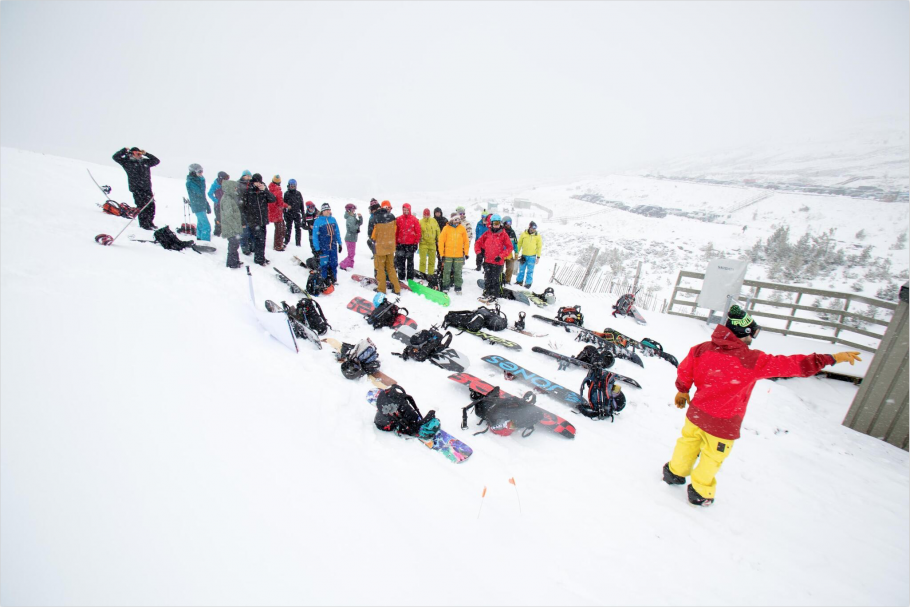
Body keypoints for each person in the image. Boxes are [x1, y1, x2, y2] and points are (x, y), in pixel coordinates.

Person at [664, 305, 862, 507]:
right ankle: (699, 492)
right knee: (712, 457)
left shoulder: (702, 349)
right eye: (753, 334)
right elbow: (791, 365)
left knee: (687, 443)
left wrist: (683, 389)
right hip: (722, 424)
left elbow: (685, 370)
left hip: (696, 414)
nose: (753, 339)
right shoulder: (751, 360)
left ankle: (674, 472)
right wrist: (830, 359)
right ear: (744, 332)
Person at [111, 146, 160, 230]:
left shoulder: (145, 162)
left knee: (151, 206)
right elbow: (115, 157)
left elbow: (156, 161)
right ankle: (144, 224)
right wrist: (124, 150)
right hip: (137, 189)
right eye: (136, 153)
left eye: (140, 153)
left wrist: (146, 154)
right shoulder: (127, 162)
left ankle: (150, 222)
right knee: (142, 206)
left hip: (147, 188)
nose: (139, 154)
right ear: (131, 154)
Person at [474, 214, 513, 302]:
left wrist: (501, 256)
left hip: (498, 262)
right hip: (488, 261)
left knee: (495, 280)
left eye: (498, 223)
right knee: (488, 278)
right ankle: (487, 293)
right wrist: (479, 253)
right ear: (491, 223)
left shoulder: (503, 234)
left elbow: (509, 247)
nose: (496, 225)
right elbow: (478, 243)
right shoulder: (487, 233)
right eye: (495, 223)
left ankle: (495, 295)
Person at [240, 173, 276, 266]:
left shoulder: (263, 190)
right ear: (253, 182)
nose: (258, 183)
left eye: (259, 182)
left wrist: (265, 190)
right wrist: (245, 220)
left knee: (262, 240)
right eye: (256, 182)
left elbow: (273, 199)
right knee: (259, 240)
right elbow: (243, 207)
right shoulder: (248, 191)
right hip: (253, 221)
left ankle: (261, 257)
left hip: (263, 220)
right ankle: (259, 259)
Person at [371, 200, 400, 295]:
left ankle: (381, 289)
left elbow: (373, 236)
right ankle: (397, 289)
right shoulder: (392, 217)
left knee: (380, 269)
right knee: (391, 268)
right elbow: (395, 230)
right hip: (390, 247)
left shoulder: (376, 219)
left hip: (380, 248)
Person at [438, 212, 469, 294]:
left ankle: (458, 287)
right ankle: (445, 286)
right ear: (452, 220)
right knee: (446, 271)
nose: (457, 221)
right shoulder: (446, 228)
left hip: (459, 255)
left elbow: (466, 241)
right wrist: (442, 254)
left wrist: (466, 253)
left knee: (458, 272)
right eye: (455, 219)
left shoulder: (462, 229)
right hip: (448, 254)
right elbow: (441, 241)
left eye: (458, 219)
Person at [312, 203, 342, 284]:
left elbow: (337, 232)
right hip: (323, 247)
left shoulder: (333, 219)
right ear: (323, 211)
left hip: (333, 246)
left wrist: (340, 243)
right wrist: (317, 248)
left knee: (334, 263)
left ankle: (333, 279)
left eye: (329, 210)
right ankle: (323, 280)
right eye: (327, 210)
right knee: (324, 264)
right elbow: (315, 236)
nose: (329, 211)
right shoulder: (318, 221)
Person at [219, 176, 245, 268]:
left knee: (235, 244)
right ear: (230, 188)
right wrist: (236, 226)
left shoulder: (229, 198)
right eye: (234, 187)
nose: (236, 189)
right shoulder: (227, 199)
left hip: (231, 226)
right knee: (233, 245)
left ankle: (235, 261)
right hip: (230, 227)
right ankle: (231, 263)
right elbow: (228, 215)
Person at [185, 163, 212, 243]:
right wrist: (201, 181)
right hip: (197, 205)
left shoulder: (199, 180)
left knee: (200, 223)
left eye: (202, 171)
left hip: (201, 205)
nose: (201, 173)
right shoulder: (191, 182)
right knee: (206, 225)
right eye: (199, 172)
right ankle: (205, 242)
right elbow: (199, 193)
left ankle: (199, 239)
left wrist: (207, 205)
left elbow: (203, 195)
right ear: (193, 172)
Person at [395, 203, 421, 281]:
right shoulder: (399, 219)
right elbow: (396, 232)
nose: (406, 211)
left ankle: (410, 278)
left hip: (410, 245)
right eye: (404, 210)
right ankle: (401, 278)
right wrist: (396, 243)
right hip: (400, 244)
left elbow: (418, 232)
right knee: (400, 262)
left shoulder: (414, 219)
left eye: (407, 210)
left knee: (410, 263)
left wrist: (416, 243)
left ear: (409, 210)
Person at [516, 221, 543, 288]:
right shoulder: (524, 234)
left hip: (532, 257)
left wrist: (538, 257)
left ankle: (528, 283)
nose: (534, 229)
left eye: (535, 228)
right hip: (524, 255)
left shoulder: (537, 236)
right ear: (529, 227)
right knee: (521, 269)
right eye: (533, 228)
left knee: (530, 271)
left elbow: (539, 247)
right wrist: (517, 252)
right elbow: (519, 244)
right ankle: (519, 281)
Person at [268, 175, 289, 251]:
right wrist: (287, 206)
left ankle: (278, 244)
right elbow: (280, 203)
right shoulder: (278, 191)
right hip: (277, 213)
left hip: (271, 211)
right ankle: (278, 246)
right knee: (280, 230)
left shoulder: (270, 189)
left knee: (279, 229)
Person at [418, 208, 440, 278]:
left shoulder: (433, 221)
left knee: (432, 260)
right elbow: (418, 232)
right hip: (423, 244)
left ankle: (431, 274)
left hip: (432, 243)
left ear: (430, 214)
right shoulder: (420, 222)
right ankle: (422, 274)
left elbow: (438, 230)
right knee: (423, 260)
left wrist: (438, 240)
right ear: (423, 214)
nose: (426, 216)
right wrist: (419, 239)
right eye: (425, 214)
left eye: (427, 214)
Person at [340, 203, 363, 270]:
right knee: (351, 254)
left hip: (352, 238)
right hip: (350, 238)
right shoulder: (350, 218)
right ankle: (343, 265)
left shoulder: (353, 217)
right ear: (349, 210)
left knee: (352, 253)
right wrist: (357, 228)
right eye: (353, 210)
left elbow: (359, 223)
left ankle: (350, 265)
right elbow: (352, 228)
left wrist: (360, 218)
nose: (354, 211)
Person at [283, 179, 304, 248]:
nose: (292, 187)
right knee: (288, 228)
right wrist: (284, 214)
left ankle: (298, 243)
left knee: (298, 228)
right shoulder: (286, 194)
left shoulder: (298, 193)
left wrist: (303, 214)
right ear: (289, 185)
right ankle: (286, 241)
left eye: (294, 185)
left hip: (297, 214)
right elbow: (284, 205)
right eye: (291, 185)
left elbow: (301, 205)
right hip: (289, 214)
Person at [207, 171, 228, 237]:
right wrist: (216, 200)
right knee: (219, 219)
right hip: (218, 206)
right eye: (224, 179)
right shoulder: (215, 185)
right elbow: (209, 193)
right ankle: (217, 233)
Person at [238, 170, 253, 255]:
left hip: (250, 211)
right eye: (247, 176)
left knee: (250, 230)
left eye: (250, 176)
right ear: (243, 176)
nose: (249, 178)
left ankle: (251, 246)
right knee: (244, 230)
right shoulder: (239, 184)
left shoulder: (251, 184)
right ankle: (244, 247)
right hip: (242, 210)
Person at [501, 216, 518, 284]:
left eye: (510, 223)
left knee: (510, 268)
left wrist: (516, 252)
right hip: (501, 253)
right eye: (508, 223)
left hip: (509, 254)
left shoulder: (512, 232)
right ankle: (499, 280)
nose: (509, 224)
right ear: (504, 223)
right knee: (500, 268)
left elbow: (515, 243)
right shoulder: (501, 231)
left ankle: (507, 281)